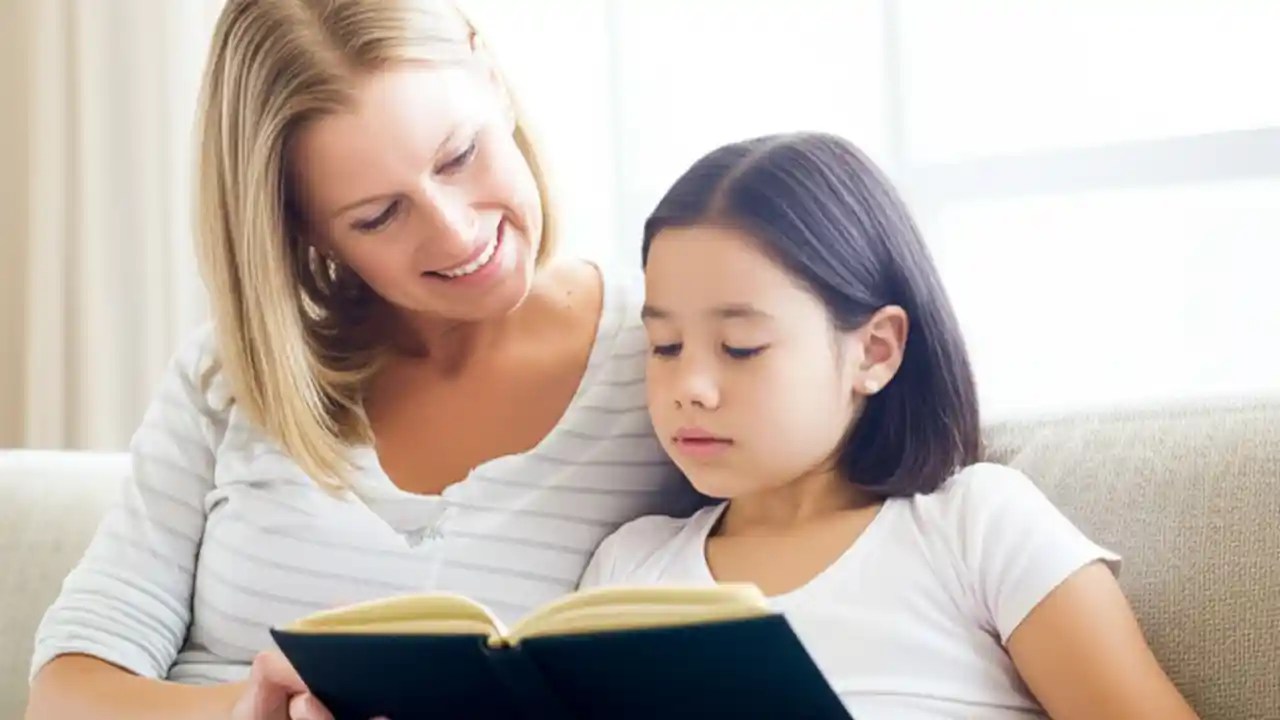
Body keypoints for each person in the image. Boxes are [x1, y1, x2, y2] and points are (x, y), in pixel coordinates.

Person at [23, 2, 696, 719]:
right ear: (305, 228)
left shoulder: (677, 357)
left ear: (489, 73)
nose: (456, 233)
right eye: (379, 216)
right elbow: (65, 695)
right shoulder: (233, 375)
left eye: (460, 155)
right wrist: (258, 707)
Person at [579, 132, 1200, 720]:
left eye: (740, 347)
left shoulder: (974, 528)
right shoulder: (631, 571)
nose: (689, 386)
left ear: (874, 351)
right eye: (664, 345)